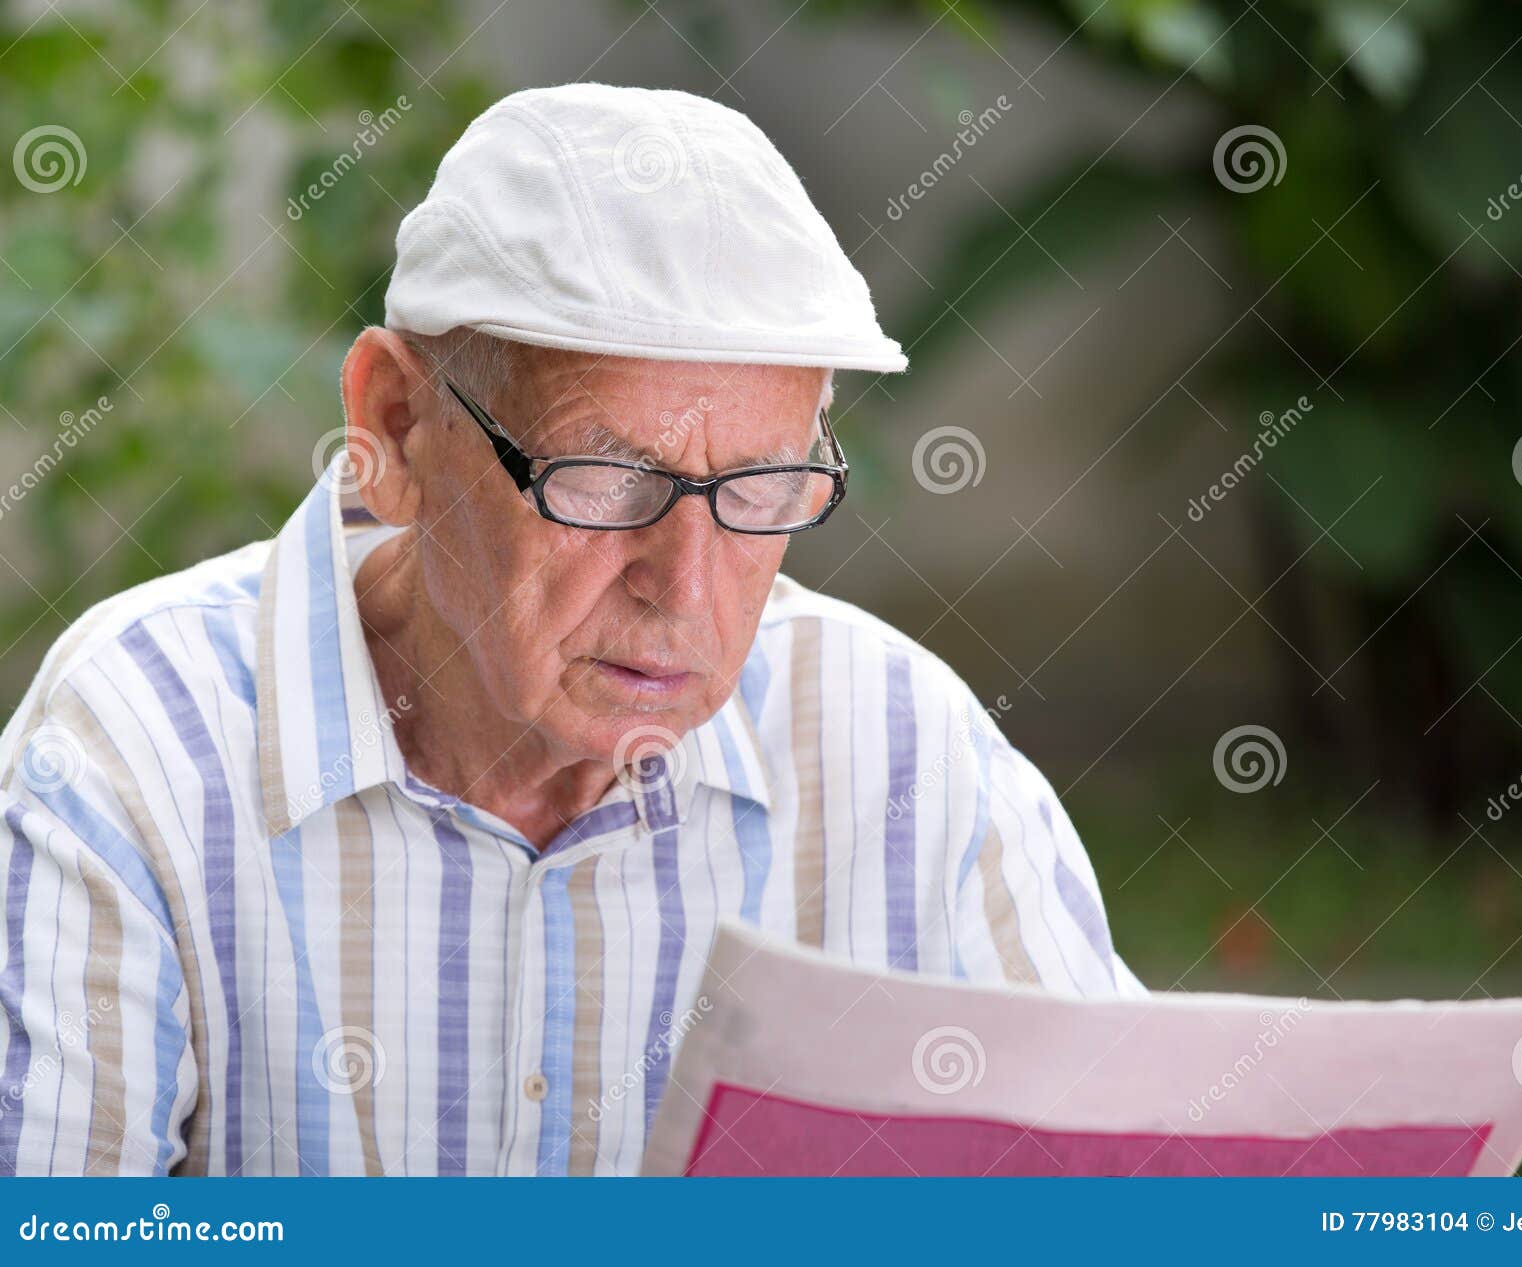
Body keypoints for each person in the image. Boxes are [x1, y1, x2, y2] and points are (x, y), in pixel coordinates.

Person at [0, 82, 1142, 1177]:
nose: (684, 590)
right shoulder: (137, 740)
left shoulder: (900, 750)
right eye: (602, 479)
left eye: (761, 485)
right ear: (395, 429)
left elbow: (1132, 1194)